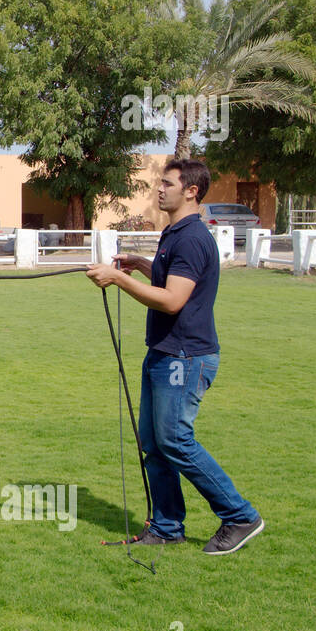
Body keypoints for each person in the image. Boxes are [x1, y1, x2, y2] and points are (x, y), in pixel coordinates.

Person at [85, 158, 264, 554]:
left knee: (175, 440)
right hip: (164, 353)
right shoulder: (174, 234)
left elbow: (173, 301)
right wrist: (144, 266)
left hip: (185, 358)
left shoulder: (191, 238)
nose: (158, 189)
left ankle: (240, 516)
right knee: (154, 441)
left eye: (166, 183)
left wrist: (116, 278)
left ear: (191, 191)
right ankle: (166, 526)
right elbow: (174, 282)